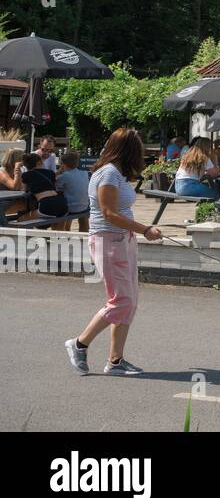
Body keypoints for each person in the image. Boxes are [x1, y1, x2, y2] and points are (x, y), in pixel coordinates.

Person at [65, 127, 163, 376]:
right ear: (130, 150)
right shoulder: (108, 174)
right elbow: (109, 214)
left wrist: (138, 232)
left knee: (129, 302)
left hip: (122, 240)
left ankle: (115, 361)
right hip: (108, 241)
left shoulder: (116, 173)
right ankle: (79, 343)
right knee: (121, 301)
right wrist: (145, 229)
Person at [21, 151, 68, 220]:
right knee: (57, 226)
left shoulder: (25, 175)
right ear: (39, 162)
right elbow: (51, 178)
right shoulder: (50, 173)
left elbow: (24, 190)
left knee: (21, 220)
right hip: (62, 203)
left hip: (47, 205)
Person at [55, 149, 91, 232]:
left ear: (63, 164)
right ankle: (83, 235)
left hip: (71, 208)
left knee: (63, 205)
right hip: (84, 206)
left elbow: (55, 186)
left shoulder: (64, 175)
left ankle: (66, 231)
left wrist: (58, 172)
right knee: (83, 216)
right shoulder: (85, 173)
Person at [1, 148, 25, 216]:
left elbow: (23, 186)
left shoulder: (14, 171)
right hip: (2, 201)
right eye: (23, 158)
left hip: (10, 200)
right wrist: (17, 169)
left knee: (31, 203)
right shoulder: (2, 172)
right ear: (16, 160)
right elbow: (16, 188)